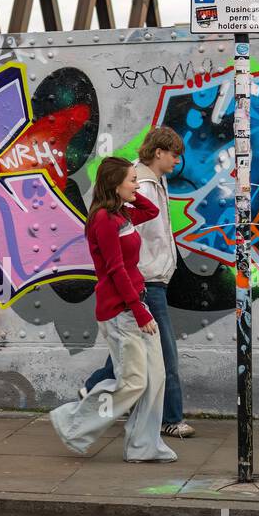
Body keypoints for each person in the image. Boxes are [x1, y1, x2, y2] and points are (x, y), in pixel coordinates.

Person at [50, 157, 177, 463]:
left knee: (155, 378)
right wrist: (139, 310)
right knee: (133, 382)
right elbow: (116, 270)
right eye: (132, 180)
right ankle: (72, 422)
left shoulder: (123, 214)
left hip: (137, 303)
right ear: (114, 184)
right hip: (122, 310)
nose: (137, 184)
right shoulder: (104, 220)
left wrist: (132, 194)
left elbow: (152, 211)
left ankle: (144, 445)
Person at [81, 127, 194, 438]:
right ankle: (171, 418)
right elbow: (123, 252)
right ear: (158, 152)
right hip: (145, 281)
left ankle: (89, 390)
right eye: (173, 153)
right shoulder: (141, 185)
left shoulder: (155, 182)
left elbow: (151, 216)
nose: (177, 160)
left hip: (154, 278)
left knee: (125, 356)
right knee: (164, 353)